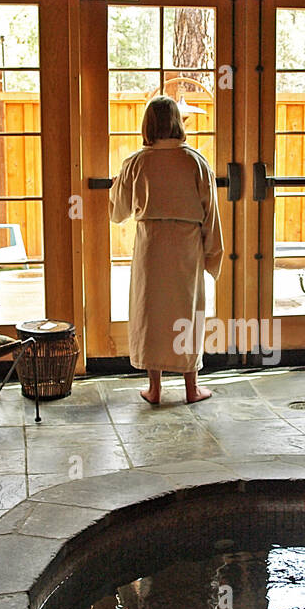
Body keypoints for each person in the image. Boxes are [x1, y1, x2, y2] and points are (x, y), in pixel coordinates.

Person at [109, 95, 224, 404]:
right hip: (187, 246)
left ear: (147, 124)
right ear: (177, 122)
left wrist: (118, 184)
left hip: (151, 244)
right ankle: (191, 388)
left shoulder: (136, 162)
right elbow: (210, 212)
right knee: (186, 312)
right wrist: (212, 252)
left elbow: (117, 211)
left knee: (150, 313)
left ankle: (155, 388)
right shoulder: (196, 162)